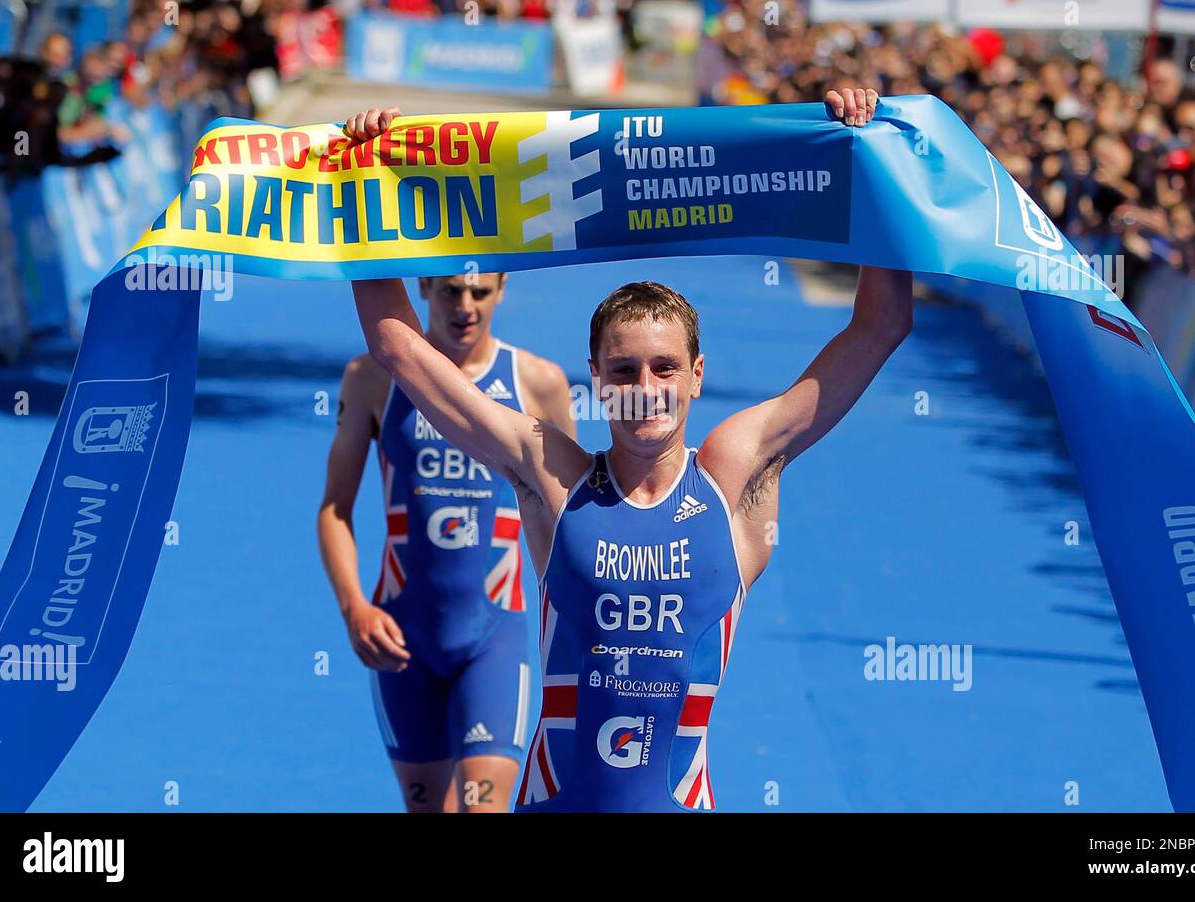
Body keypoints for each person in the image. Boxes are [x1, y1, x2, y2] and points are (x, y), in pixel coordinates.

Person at [343, 86, 911, 811]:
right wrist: (360, 180)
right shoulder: (552, 474)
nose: (646, 387)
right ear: (597, 379)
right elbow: (398, 348)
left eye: (665, 367)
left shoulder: (734, 471)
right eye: (624, 369)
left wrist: (866, 158)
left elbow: (881, 325)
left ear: (697, 375)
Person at [318, 272, 575, 812]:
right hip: (401, 637)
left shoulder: (538, 382)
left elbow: (569, 519)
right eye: (452, 290)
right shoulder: (371, 379)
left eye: (480, 292)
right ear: (426, 286)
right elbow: (335, 509)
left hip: (494, 637)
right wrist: (353, 610)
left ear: (501, 288)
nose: (465, 306)